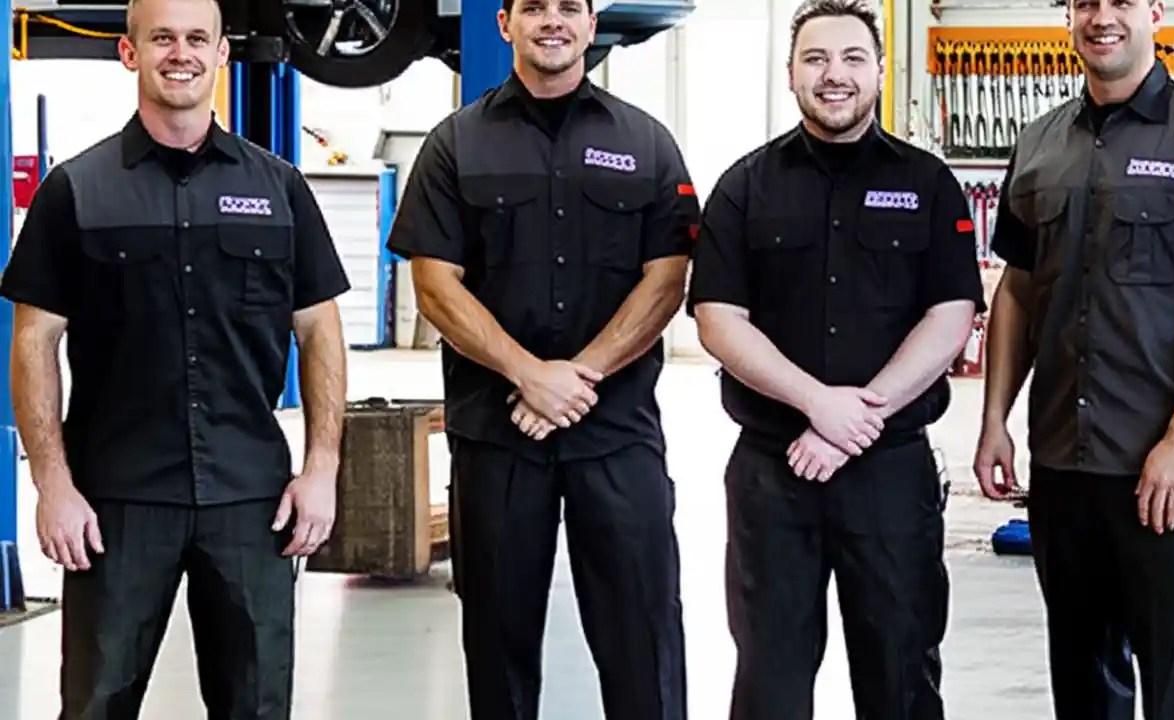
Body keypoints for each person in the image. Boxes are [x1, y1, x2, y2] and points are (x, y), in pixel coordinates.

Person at [0, 0, 352, 716]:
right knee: (97, 702)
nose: (180, 53)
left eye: (198, 38)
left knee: (256, 704)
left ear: (222, 55)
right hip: (117, 500)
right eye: (162, 38)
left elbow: (319, 331)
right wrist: (52, 484)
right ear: (130, 54)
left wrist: (322, 469)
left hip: (251, 498)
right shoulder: (77, 190)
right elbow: (34, 340)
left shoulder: (279, 188)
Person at [383, 0, 698, 718]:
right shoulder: (454, 144)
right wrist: (530, 376)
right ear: (504, 25)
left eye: (569, 7)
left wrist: (576, 378)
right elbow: (433, 283)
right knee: (496, 638)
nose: (550, 20)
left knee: (643, 635)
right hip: (498, 433)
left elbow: (667, 277)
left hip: (615, 431)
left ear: (592, 24)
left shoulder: (647, 142)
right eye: (533, 7)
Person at [973, 0, 1174, 717]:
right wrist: (994, 420)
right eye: (1085, 3)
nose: (1100, 17)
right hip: (1061, 463)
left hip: (1161, 468)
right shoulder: (1039, 142)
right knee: (1081, 674)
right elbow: (1017, 290)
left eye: (1120, 2)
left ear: (1155, 14)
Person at [687, 1, 985, 717]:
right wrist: (816, 404)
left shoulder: (928, 183)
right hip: (773, 473)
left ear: (880, 72)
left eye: (853, 58)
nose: (835, 75)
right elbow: (718, 319)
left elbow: (952, 315)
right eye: (816, 59)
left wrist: (858, 415)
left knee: (902, 672)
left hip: (889, 472)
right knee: (770, 677)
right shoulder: (744, 186)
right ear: (791, 74)